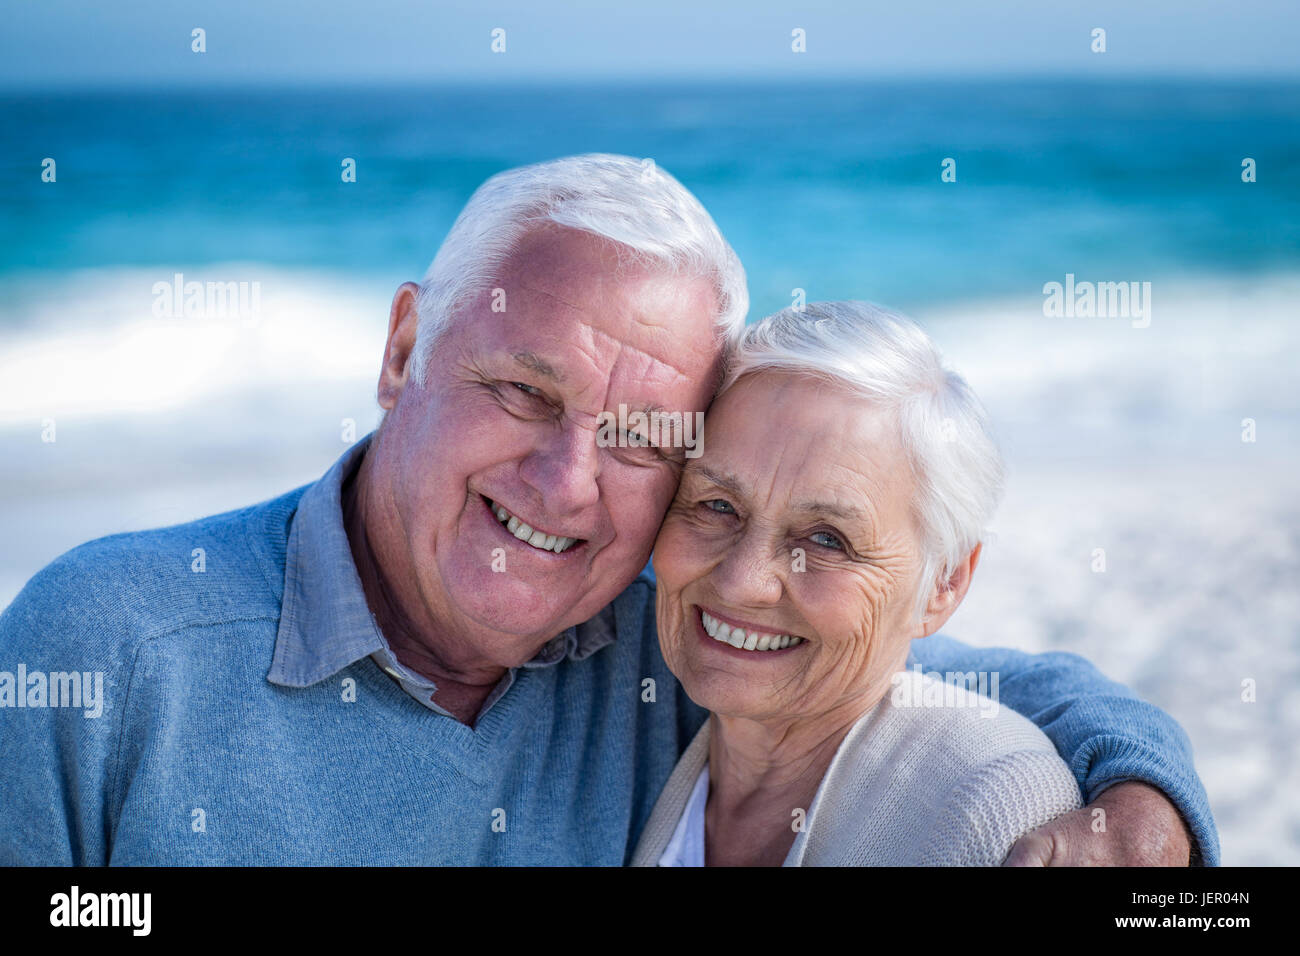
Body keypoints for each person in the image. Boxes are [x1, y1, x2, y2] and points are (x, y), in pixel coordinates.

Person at [0, 155, 1216, 865]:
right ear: (404, 346)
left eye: (642, 437)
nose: (564, 480)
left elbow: (959, 673)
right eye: (523, 390)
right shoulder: (107, 648)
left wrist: (1145, 812)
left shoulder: (679, 640)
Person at [634, 301, 1080, 865]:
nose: (742, 581)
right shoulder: (639, 726)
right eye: (718, 504)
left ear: (943, 584)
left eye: (826, 540)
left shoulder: (994, 813)